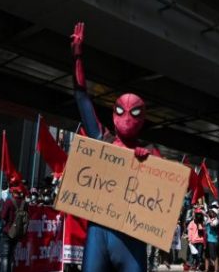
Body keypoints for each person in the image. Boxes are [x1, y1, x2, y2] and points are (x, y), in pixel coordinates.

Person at [70, 22, 165, 272]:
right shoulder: (103, 140)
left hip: (131, 238)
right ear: (114, 114)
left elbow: (169, 188)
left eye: (133, 113)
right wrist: (78, 55)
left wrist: (150, 164)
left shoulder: (150, 152)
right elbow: (81, 96)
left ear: (142, 118)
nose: (126, 119)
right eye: (122, 111)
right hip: (100, 233)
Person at [0, 184, 27, 272]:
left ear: (13, 192)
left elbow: (3, 216)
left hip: (8, 231)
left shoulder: (9, 201)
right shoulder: (24, 203)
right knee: (11, 256)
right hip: (18, 232)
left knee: (4, 256)